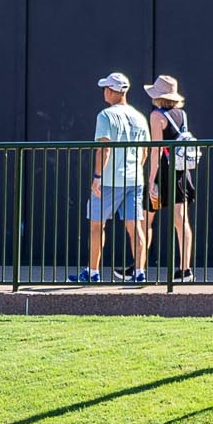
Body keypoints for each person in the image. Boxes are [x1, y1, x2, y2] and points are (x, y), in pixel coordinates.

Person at [75, 72, 150, 286]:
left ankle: (93, 272)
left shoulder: (105, 116)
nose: (103, 92)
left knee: (97, 226)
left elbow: (104, 148)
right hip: (134, 179)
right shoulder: (139, 117)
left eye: (105, 88)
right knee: (135, 226)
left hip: (108, 180)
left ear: (111, 91)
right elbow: (145, 152)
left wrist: (97, 176)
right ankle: (139, 272)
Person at [143, 75, 198, 283]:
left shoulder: (156, 116)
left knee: (148, 217)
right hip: (181, 171)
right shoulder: (182, 114)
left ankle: (139, 266)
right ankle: (185, 269)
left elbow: (156, 151)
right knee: (181, 220)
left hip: (164, 171)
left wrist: (151, 180)